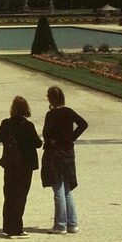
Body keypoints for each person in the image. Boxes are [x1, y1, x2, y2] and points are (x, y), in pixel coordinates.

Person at [0, 95, 42, 238]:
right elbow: (38, 144)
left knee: (9, 194)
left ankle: (8, 226)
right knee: (20, 196)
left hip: (10, 164)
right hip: (24, 165)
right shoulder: (28, 125)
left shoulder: (6, 123)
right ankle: (16, 229)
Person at [41, 86, 88, 234]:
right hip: (68, 152)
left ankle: (60, 225)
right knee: (67, 188)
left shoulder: (51, 114)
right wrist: (71, 138)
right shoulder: (68, 111)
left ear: (52, 99)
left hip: (55, 154)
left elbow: (46, 133)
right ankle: (72, 223)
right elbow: (83, 124)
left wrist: (51, 141)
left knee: (58, 189)